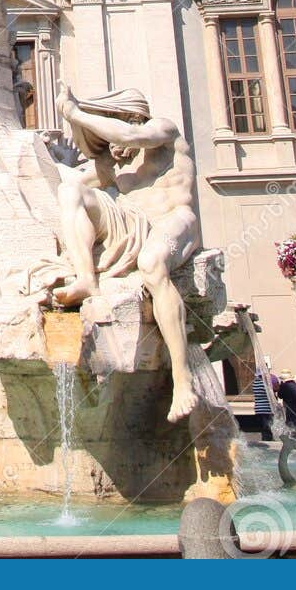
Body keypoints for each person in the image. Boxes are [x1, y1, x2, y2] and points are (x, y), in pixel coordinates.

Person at [55, 84, 200, 423]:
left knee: (151, 264)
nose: (111, 146)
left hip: (174, 221)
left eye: (108, 126)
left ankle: (182, 378)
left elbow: (133, 136)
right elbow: (71, 177)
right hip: (134, 224)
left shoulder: (163, 131)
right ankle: (86, 280)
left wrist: (77, 113)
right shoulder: (113, 165)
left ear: (130, 117)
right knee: (69, 192)